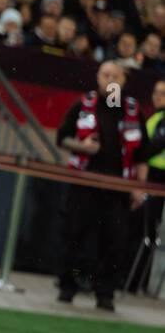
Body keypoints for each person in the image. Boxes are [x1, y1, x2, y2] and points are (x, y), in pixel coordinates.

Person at [56, 60, 142, 310]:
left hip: (117, 189)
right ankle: (67, 288)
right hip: (84, 184)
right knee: (74, 236)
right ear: (97, 77)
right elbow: (63, 138)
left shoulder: (133, 110)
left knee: (114, 242)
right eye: (105, 75)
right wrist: (82, 147)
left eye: (115, 76)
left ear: (123, 80)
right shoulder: (83, 104)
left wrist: (139, 186)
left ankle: (105, 294)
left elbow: (141, 155)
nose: (110, 80)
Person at [128, 78, 165, 292]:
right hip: (150, 176)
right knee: (145, 231)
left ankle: (135, 283)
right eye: (156, 92)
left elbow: (154, 146)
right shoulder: (155, 117)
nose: (157, 96)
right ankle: (136, 282)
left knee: (146, 232)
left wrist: (136, 155)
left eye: (162, 93)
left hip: (156, 179)